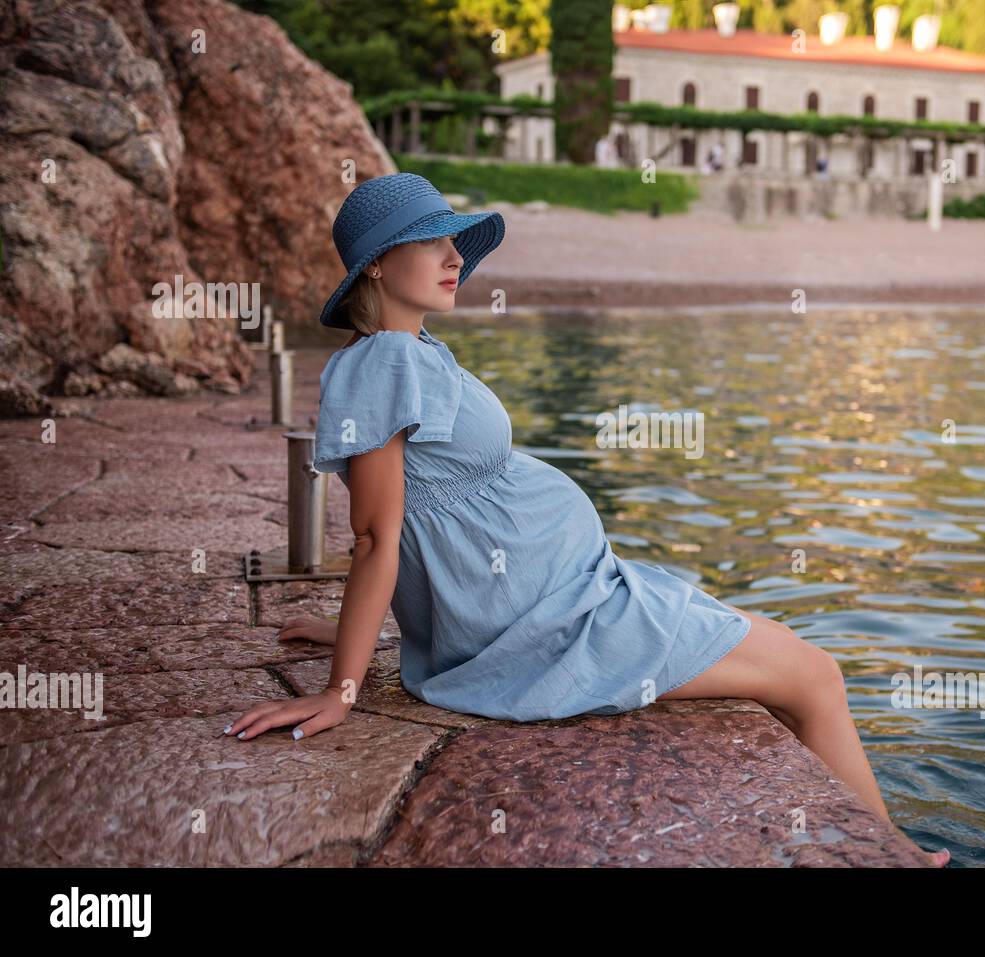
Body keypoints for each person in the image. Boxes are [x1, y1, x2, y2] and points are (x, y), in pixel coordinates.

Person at [223, 172, 948, 866]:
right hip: (553, 621)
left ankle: (870, 846)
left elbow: (419, 521)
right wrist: (342, 688)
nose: (454, 258)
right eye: (432, 242)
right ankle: (893, 857)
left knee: (788, 658)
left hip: (561, 592)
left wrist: (385, 627)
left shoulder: (401, 353)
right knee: (815, 675)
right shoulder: (388, 362)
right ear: (377, 266)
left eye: (455, 241)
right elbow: (380, 533)